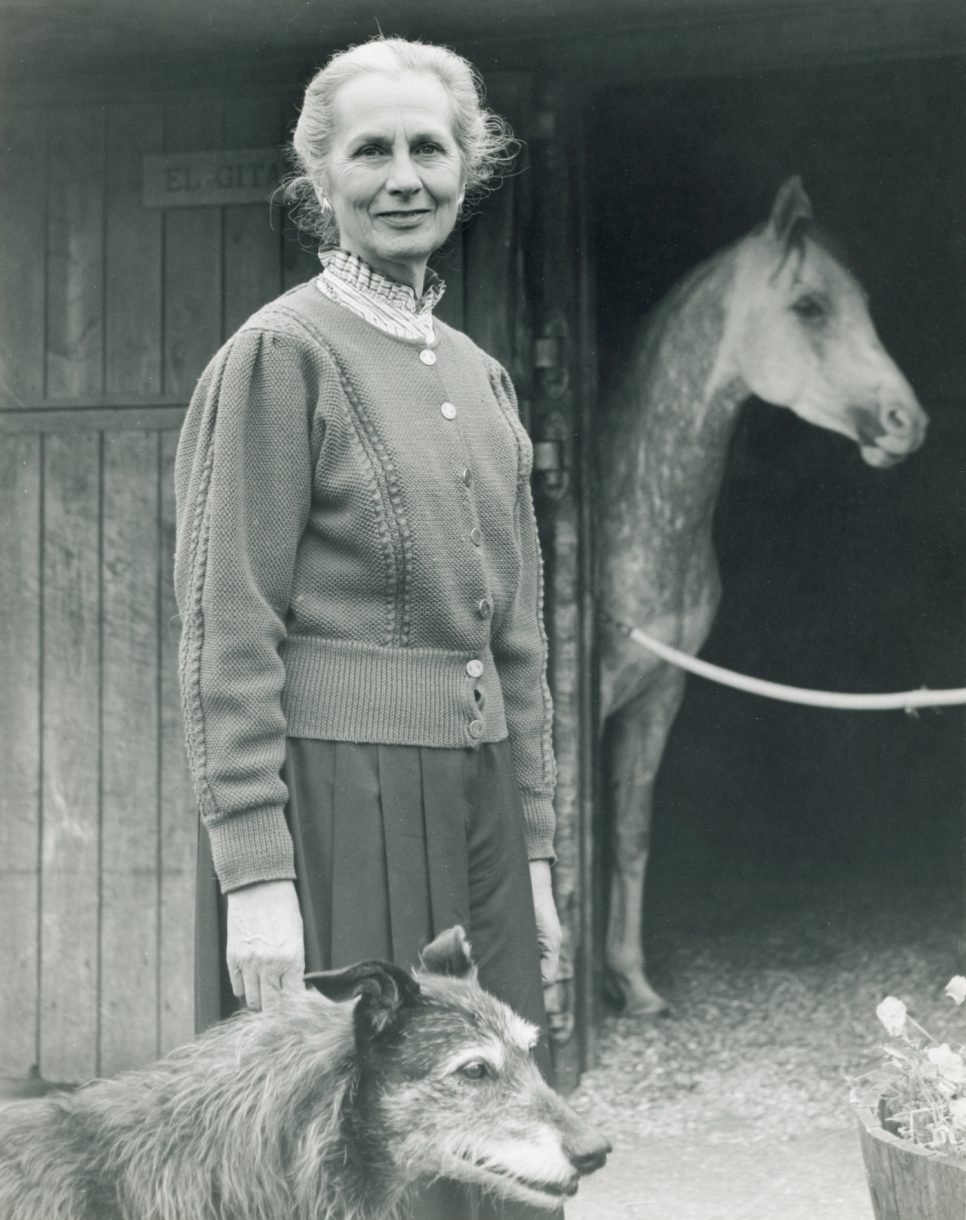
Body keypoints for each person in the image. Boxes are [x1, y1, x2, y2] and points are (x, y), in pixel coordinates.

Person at [174, 35, 562, 1219]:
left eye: (429, 147)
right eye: (372, 150)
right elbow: (225, 620)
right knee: (344, 1161)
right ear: (319, 178)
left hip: (480, 809)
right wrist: (257, 872)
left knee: (501, 1144)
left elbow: (523, 638)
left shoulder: (482, 375)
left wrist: (536, 853)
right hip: (338, 803)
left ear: (470, 164)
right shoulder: (280, 354)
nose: (405, 175)